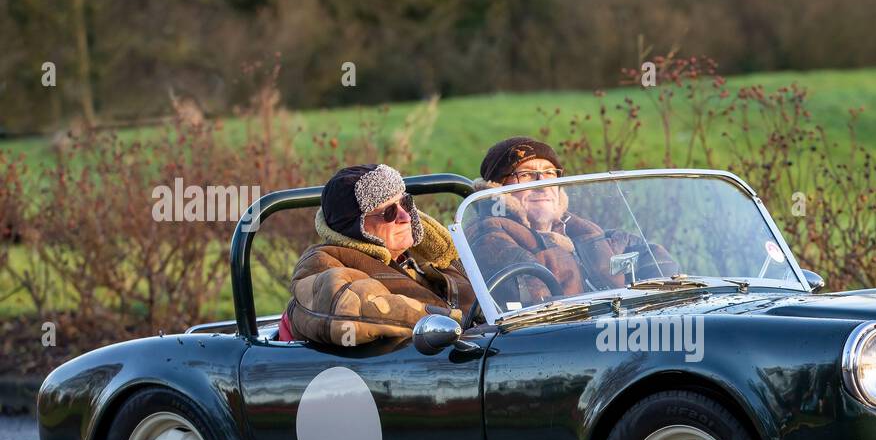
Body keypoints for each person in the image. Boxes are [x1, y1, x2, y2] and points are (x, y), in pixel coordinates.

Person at [467, 137, 677, 307]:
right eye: (527, 175)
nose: (543, 184)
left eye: (550, 173)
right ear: (497, 187)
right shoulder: (488, 233)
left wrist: (659, 299)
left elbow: (655, 259)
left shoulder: (578, 229)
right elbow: (536, 302)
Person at [283, 163, 476, 345]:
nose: (406, 217)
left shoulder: (432, 256)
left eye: (405, 203)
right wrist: (448, 321)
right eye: (389, 213)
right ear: (353, 227)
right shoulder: (322, 263)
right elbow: (345, 307)